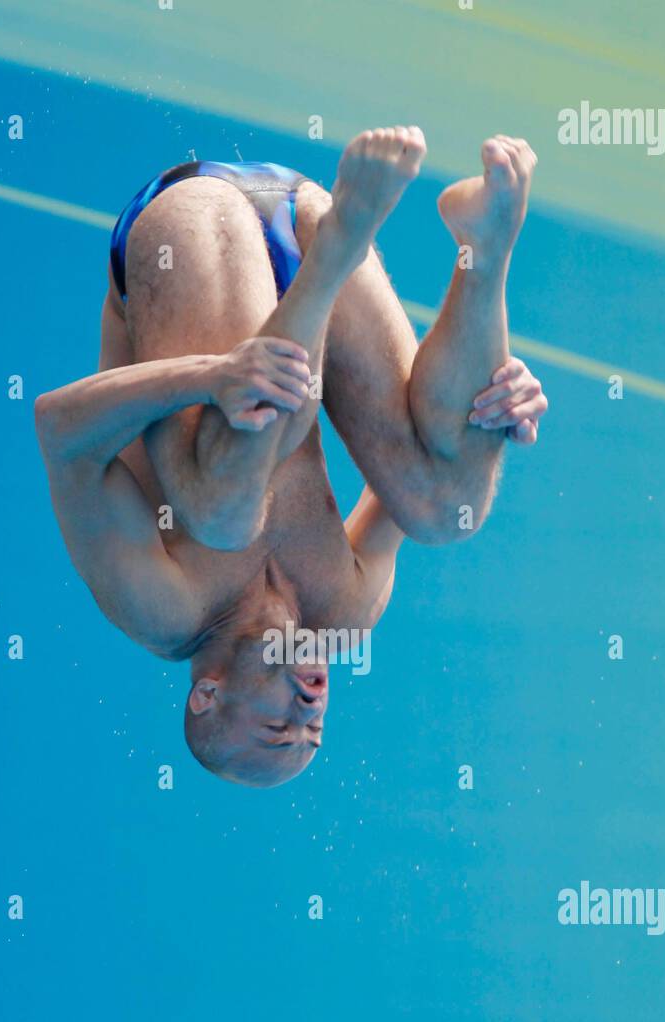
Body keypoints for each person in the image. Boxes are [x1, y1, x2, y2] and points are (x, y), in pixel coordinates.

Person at [35, 127, 548, 787]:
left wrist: (207, 376)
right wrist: (498, 409)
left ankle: (338, 249)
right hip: (309, 223)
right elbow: (422, 456)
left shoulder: (162, 607)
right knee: (445, 511)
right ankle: (485, 240)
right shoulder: (344, 610)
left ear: (208, 694)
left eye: (278, 726)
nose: (309, 708)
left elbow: (59, 430)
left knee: (220, 515)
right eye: (314, 730)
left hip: (193, 225)